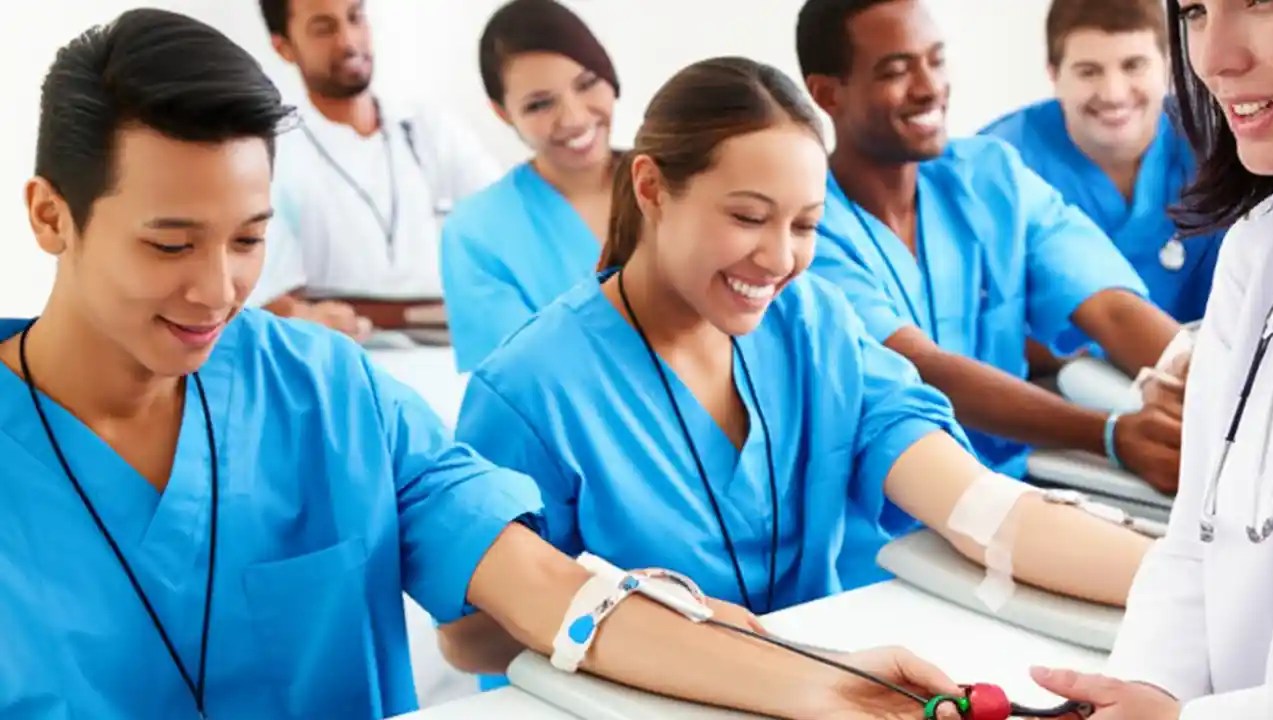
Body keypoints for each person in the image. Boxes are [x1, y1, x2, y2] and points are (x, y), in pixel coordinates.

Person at [0, 10, 972, 720]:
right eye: (170, 245)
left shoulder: (329, 397)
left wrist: (834, 687)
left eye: (249, 238)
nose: (218, 290)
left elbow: (552, 596)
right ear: (51, 216)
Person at [454, 56, 1150, 633]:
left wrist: (1199, 590)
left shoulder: (815, 327)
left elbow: (983, 512)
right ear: (651, 188)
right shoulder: (529, 389)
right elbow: (475, 638)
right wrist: (636, 629)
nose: (778, 259)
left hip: (832, 678)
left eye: (806, 225)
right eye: (748, 216)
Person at [796, 0, 1186, 493]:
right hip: (885, 519)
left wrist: (1208, 383)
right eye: (896, 71)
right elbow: (922, 369)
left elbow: (1109, 306)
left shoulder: (990, 176)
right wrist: (1109, 433)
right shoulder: (807, 226)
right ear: (828, 93)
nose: (929, 87)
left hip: (1016, 485)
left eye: (935, 61)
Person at [1033, 1, 1273, 717]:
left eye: (1261, 0)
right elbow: (1198, 536)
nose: (1214, 57)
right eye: (1198, 10)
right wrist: (1147, 685)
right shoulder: (1257, 248)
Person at [981, 0, 1225, 354]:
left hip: (1215, 376)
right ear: (1054, 74)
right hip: (1058, 392)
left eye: (1134, 65)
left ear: (1169, 65)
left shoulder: (1218, 143)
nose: (1113, 93)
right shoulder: (1001, 167)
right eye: (1088, 71)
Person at [251, 0, 502, 338]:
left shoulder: (434, 131)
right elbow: (272, 301)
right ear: (284, 48)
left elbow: (510, 233)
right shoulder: (273, 155)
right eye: (324, 28)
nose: (349, 40)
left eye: (355, 17)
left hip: (454, 354)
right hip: (341, 361)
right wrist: (302, 314)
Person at [442, 0, 619, 372]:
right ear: (503, 112)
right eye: (540, 105)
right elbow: (516, 381)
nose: (573, 118)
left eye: (587, 84)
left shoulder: (683, 186)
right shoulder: (477, 233)